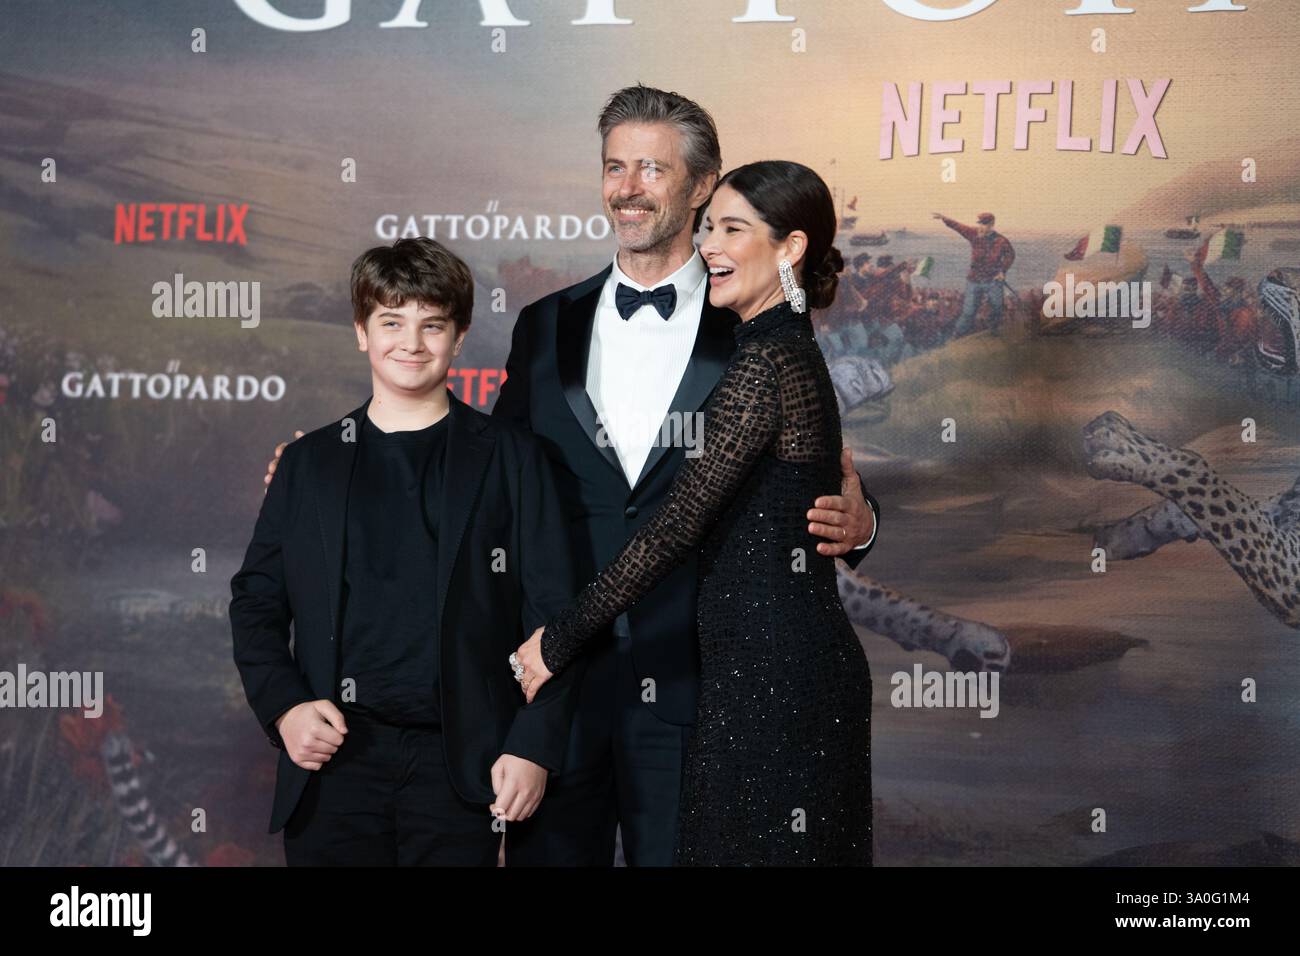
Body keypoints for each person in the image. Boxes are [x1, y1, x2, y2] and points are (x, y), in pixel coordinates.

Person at [262, 85, 879, 866]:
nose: (628, 187)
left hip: (705, 686)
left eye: (653, 169)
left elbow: (801, 473)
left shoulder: (750, 317)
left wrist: (866, 525)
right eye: (615, 166)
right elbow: (482, 472)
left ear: (702, 184)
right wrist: (325, 470)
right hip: (550, 689)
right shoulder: (545, 324)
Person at [513, 160, 874, 866]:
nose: (709, 245)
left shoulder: (765, 362)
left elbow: (679, 524)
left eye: (733, 229)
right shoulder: (781, 348)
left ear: (790, 248)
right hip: (753, 669)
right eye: (709, 226)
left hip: (772, 677)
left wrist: (557, 640)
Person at [230, 237, 582, 865]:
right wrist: (283, 707)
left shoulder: (515, 459)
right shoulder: (308, 463)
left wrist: (533, 746)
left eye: (432, 324)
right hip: (335, 759)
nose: (412, 343)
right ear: (362, 332)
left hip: (462, 764)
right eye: (391, 322)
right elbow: (255, 601)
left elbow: (557, 618)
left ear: (461, 334)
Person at [933, 211, 1015, 336]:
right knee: (969, 312)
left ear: (992, 225)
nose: (981, 227)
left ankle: (993, 331)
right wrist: (945, 219)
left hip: (993, 280)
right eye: (980, 224)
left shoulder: (1001, 241)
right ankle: (957, 335)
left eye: (984, 224)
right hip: (974, 280)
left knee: (997, 308)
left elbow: (1010, 255)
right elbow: (959, 227)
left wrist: (1002, 271)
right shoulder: (973, 234)